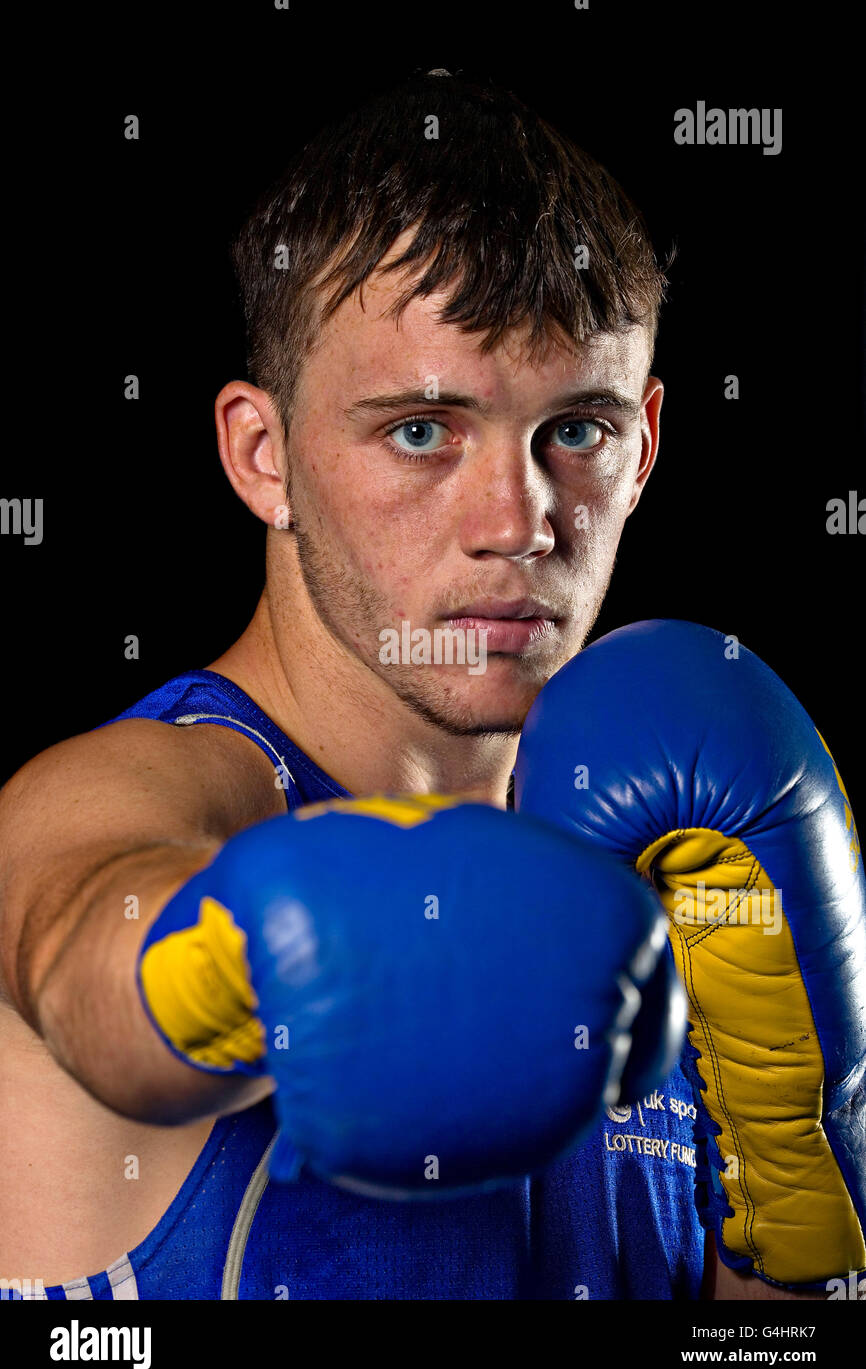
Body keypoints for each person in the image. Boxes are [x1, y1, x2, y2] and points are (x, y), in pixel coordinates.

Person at [0, 72, 846, 1301]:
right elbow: (78, 945)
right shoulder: (140, 796)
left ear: (645, 444)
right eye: (419, 431)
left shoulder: (687, 852)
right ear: (261, 454)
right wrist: (225, 969)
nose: (517, 522)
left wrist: (793, 1196)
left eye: (577, 431)